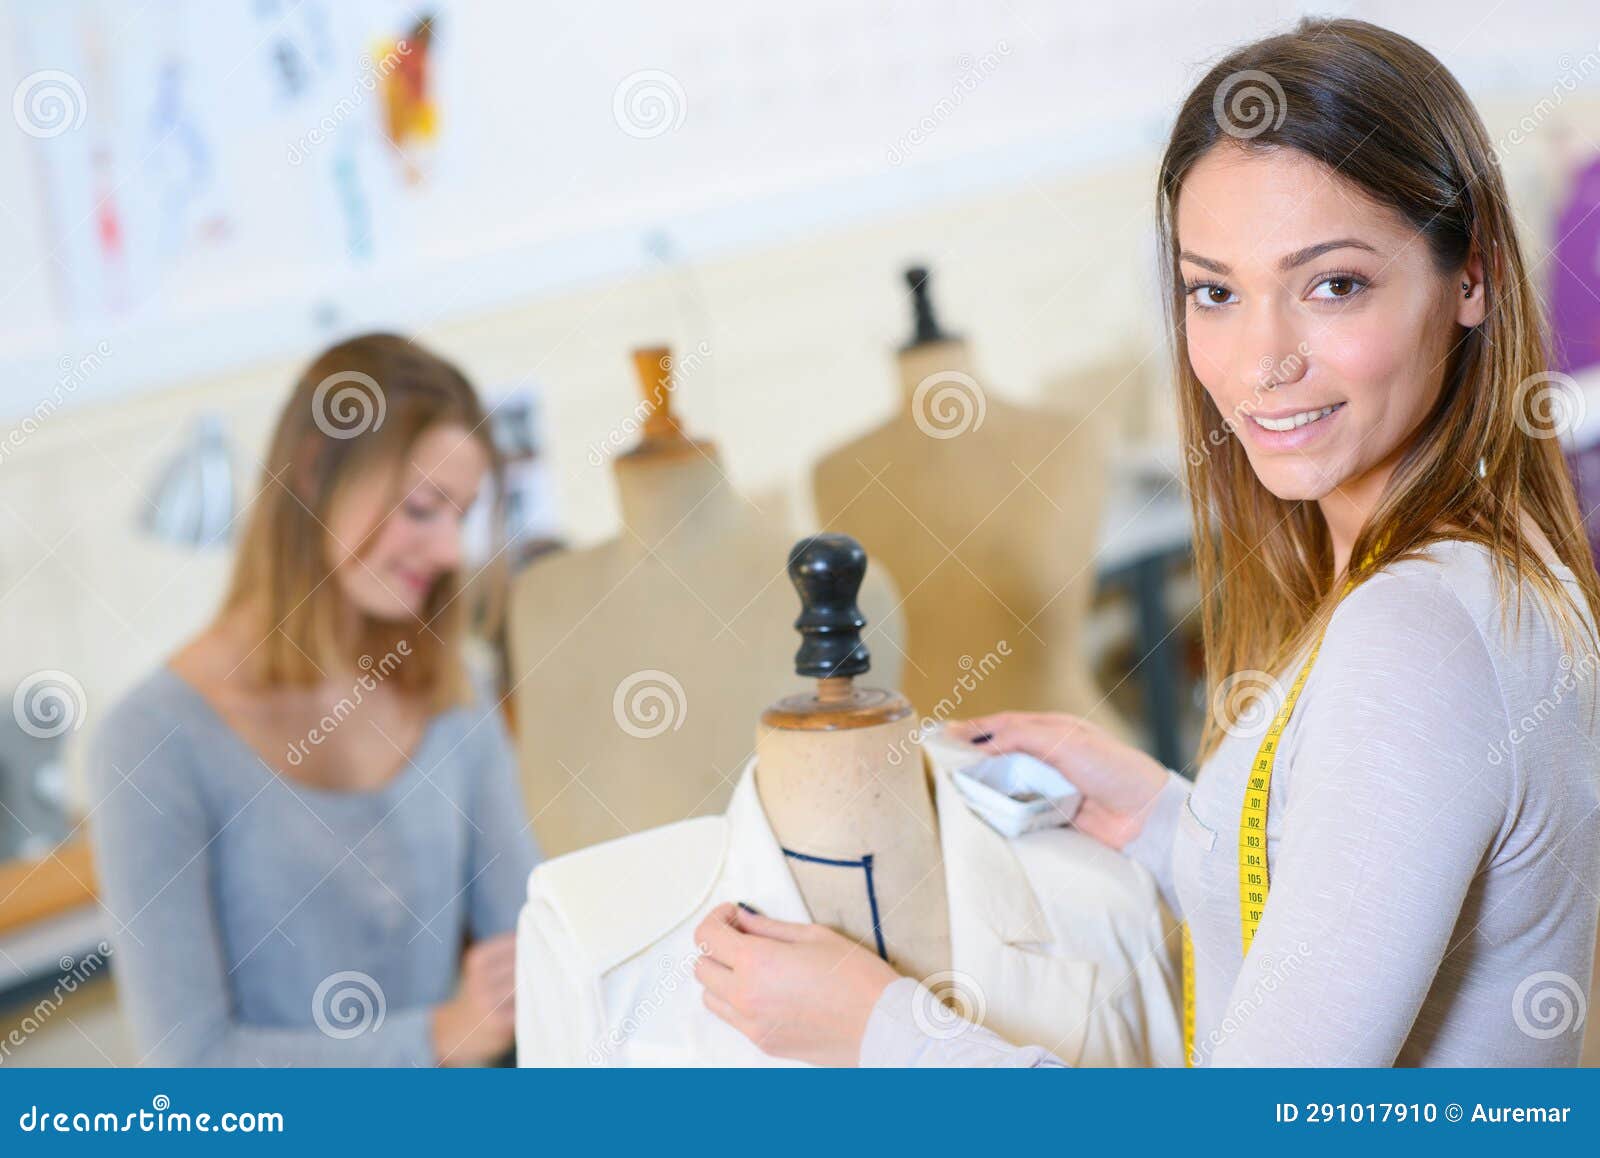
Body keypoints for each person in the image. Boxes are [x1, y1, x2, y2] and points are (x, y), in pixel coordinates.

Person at [692, 17, 1600, 1067]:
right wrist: (1172, 822)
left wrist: (876, 1027)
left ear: (1472, 279)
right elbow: (1369, 899)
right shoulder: (1466, 566)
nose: (1261, 362)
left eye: (1332, 285)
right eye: (1213, 291)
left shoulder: (1415, 633)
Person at [89, 333, 539, 1066]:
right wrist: (437, 1038)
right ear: (312, 473)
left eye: (461, 515)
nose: (451, 551)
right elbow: (190, 1067)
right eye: (424, 508)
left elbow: (528, 932)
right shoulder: (152, 741)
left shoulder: (451, 688)